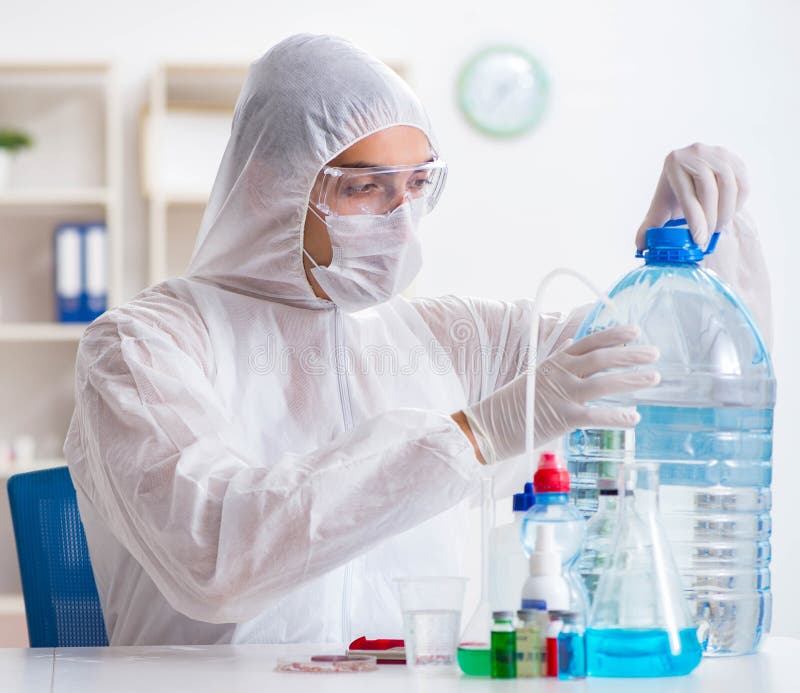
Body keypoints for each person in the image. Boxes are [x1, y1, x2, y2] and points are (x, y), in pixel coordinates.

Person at [64, 34, 771, 646]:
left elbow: (678, 374)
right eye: (364, 188)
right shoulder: (142, 347)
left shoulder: (451, 339)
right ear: (267, 189)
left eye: (416, 184)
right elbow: (214, 557)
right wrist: (471, 436)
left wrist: (691, 248)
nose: (401, 220)